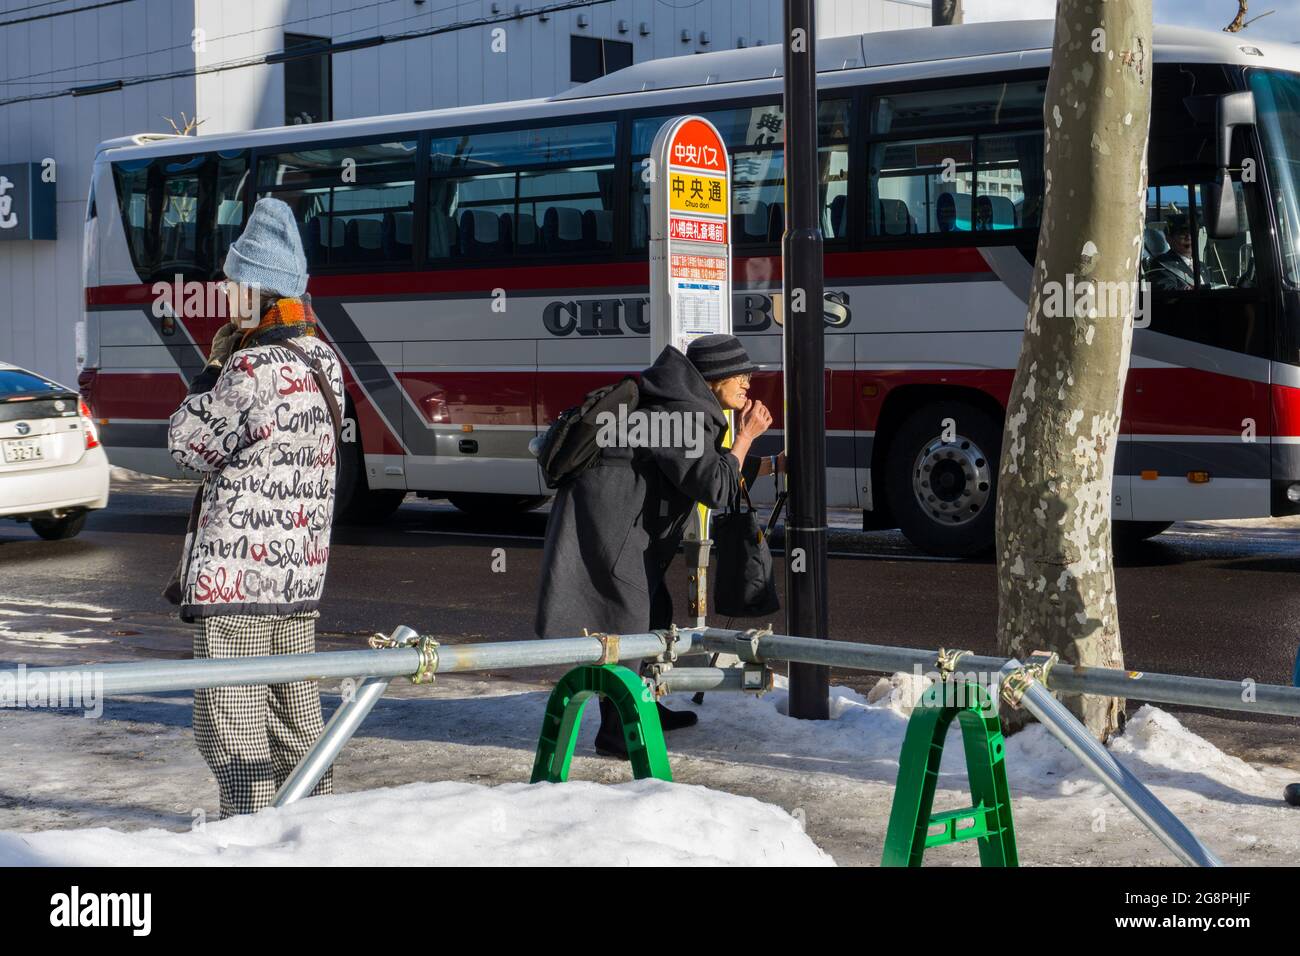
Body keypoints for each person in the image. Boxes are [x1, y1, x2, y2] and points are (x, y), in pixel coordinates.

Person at [166, 197, 346, 818]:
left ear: (258, 292)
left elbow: (187, 445)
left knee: (230, 726)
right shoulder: (325, 359)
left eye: (233, 284)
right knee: (296, 721)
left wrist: (212, 365)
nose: (223, 294)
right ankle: (308, 828)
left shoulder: (249, 367)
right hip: (298, 576)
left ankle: (249, 840)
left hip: (237, 579)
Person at [534, 333, 778, 757]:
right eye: (741, 375)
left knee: (655, 613)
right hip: (610, 529)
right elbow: (714, 487)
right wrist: (746, 438)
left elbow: (696, 468)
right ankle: (617, 730)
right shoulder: (680, 410)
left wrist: (760, 461)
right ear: (716, 377)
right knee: (628, 623)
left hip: (624, 525)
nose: (747, 385)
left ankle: (647, 705)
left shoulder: (680, 403)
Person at [1150, 215, 1199, 291]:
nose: (1189, 238)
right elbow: (1168, 291)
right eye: (1182, 234)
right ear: (1169, 239)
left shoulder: (1202, 267)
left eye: (1192, 233)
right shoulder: (1162, 264)